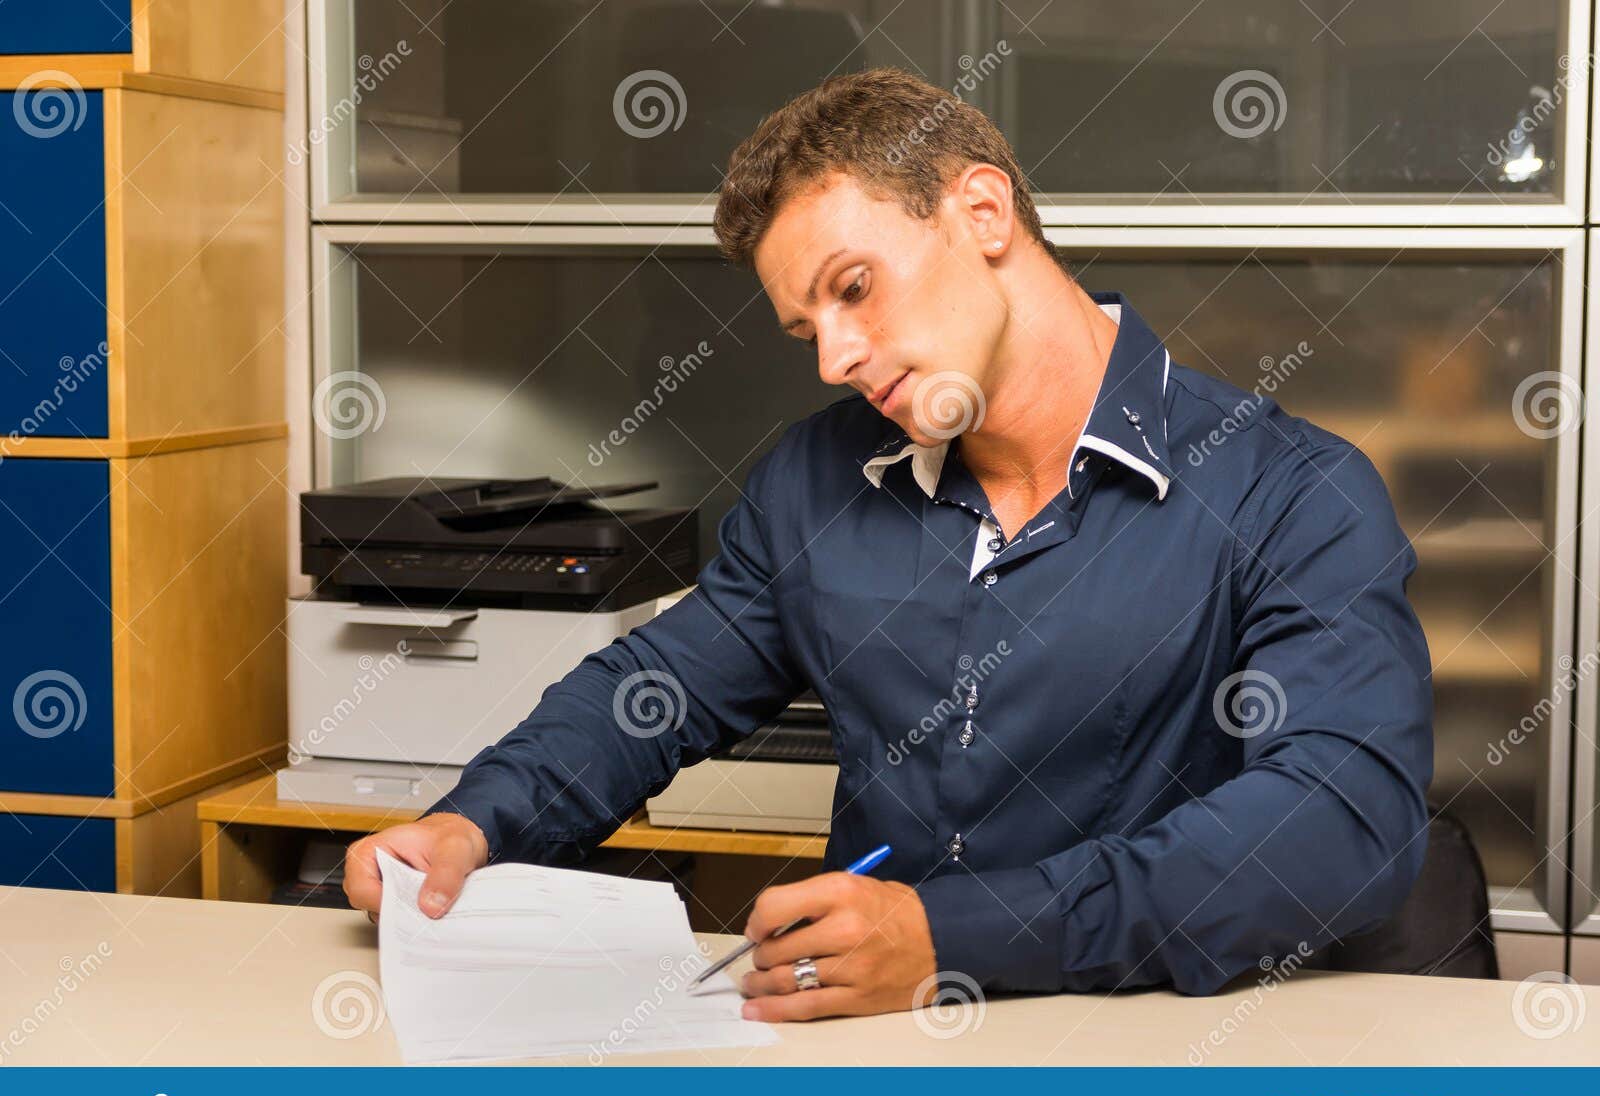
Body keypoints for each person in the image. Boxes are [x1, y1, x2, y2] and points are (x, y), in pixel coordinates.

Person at [344, 66, 1433, 1022]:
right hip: (870, 1059)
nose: (834, 357)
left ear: (982, 211)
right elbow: (656, 684)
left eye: (853, 288)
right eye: (807, 327)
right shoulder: (812, 481)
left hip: (1149, 1054)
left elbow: (1344, 816)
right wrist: (473, 824)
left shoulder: (1290, 489)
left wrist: (949, 934)